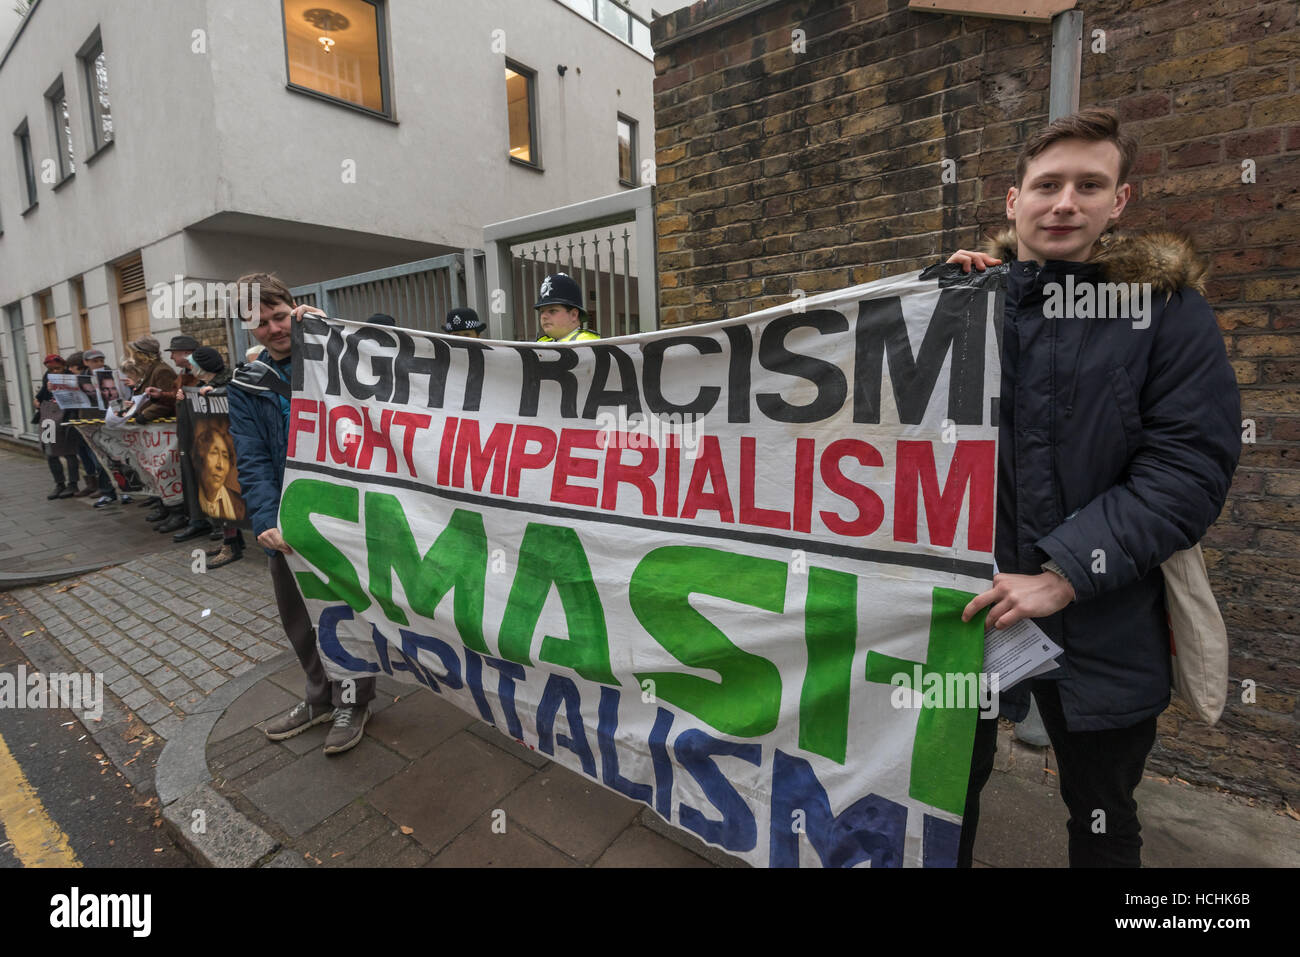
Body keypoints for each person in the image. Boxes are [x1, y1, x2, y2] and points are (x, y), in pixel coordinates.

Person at [943, 109, 1240, 868]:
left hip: (1105, 623)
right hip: (962, 615)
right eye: (1047, 185)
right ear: (1014, 201)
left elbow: (1188, 469)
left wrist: (1065, 574)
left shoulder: (1167, 314)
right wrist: (935, 293)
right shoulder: (963, 300)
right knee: (942, 796)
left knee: (1103, 815)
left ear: (1120, 201)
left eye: (1088, 184)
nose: (1064, 202)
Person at [227, 272, 374, 754]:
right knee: (298, 614)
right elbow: (249, 457)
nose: (274, 328)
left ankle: (355, 699)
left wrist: (331, 334)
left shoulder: (334, 355)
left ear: (296, 307)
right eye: (261, 322)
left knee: (346, 611)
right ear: (249, 330)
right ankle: (319, 696)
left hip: (342, 512)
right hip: (286, 519)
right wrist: (266, 519)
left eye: (280, 315)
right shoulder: (246, 384)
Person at [35, 354, 81, 499]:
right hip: (48, 417)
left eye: (57, 368)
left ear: (64, 366)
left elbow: (77, 397)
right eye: (51, 369)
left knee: (69, 451)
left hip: (65, 415)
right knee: (50, 452)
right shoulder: (47, 375)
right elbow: (41, 397)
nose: (54, 371)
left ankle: (73, 484)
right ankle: (59, 483)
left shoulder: (70, 376)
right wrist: (42, 395)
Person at [533, 273, 600, 342]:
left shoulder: (589, 344)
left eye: (552, 311)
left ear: (574, 314)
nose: (543, 316)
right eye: (542, 312)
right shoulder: (543, 342)